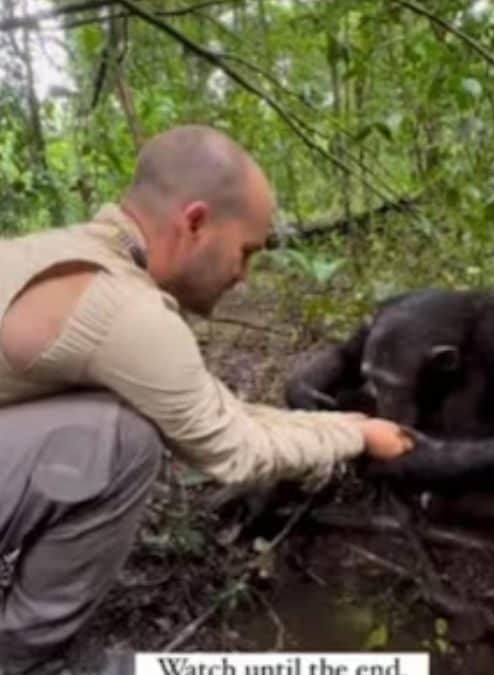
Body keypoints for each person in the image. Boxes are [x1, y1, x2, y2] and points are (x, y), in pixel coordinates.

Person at [0, 125, 412, 675]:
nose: (243, 275)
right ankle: (26, 660)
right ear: (194, 223)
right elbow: (233, 451)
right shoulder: (127, 311)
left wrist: (335, 421)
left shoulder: (61, 253)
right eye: (246, 252)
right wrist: (359, 436)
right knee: (121, 440)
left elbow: (213, 406)